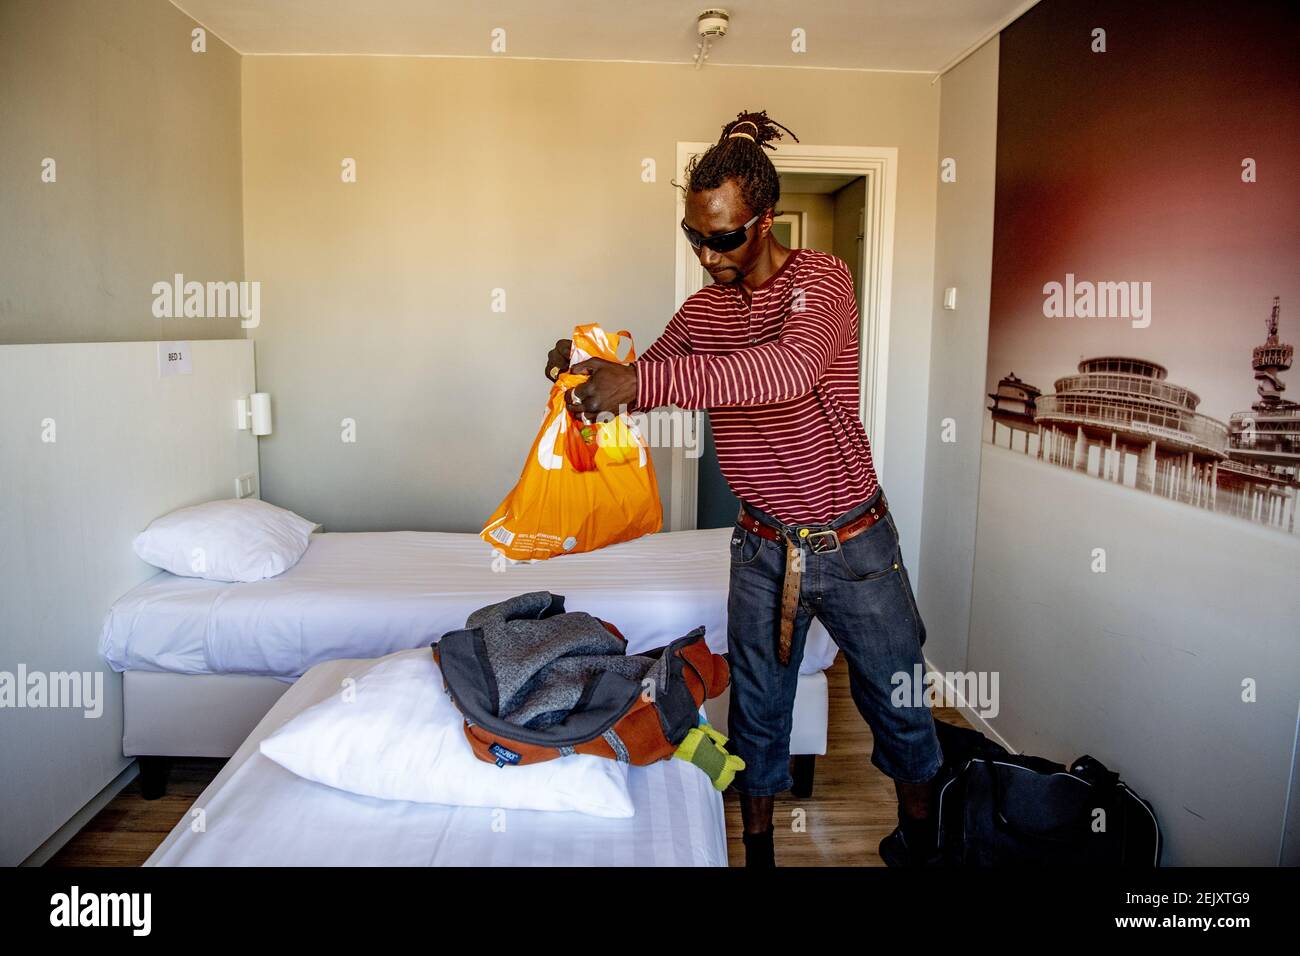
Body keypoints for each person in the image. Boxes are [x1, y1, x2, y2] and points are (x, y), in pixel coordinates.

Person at [544, 109, 943, 867]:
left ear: (764, 221)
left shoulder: (821, 283)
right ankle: (757, 853)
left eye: (723, 237)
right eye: (695, 236)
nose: (706, 255)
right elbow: (652, 373)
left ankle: (919, 844)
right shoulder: (702, 311)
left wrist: (645, 376)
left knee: (899, 701)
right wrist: (591, 372)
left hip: (854, 540)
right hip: (761, 546)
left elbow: (785, 372)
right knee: (758, 709)